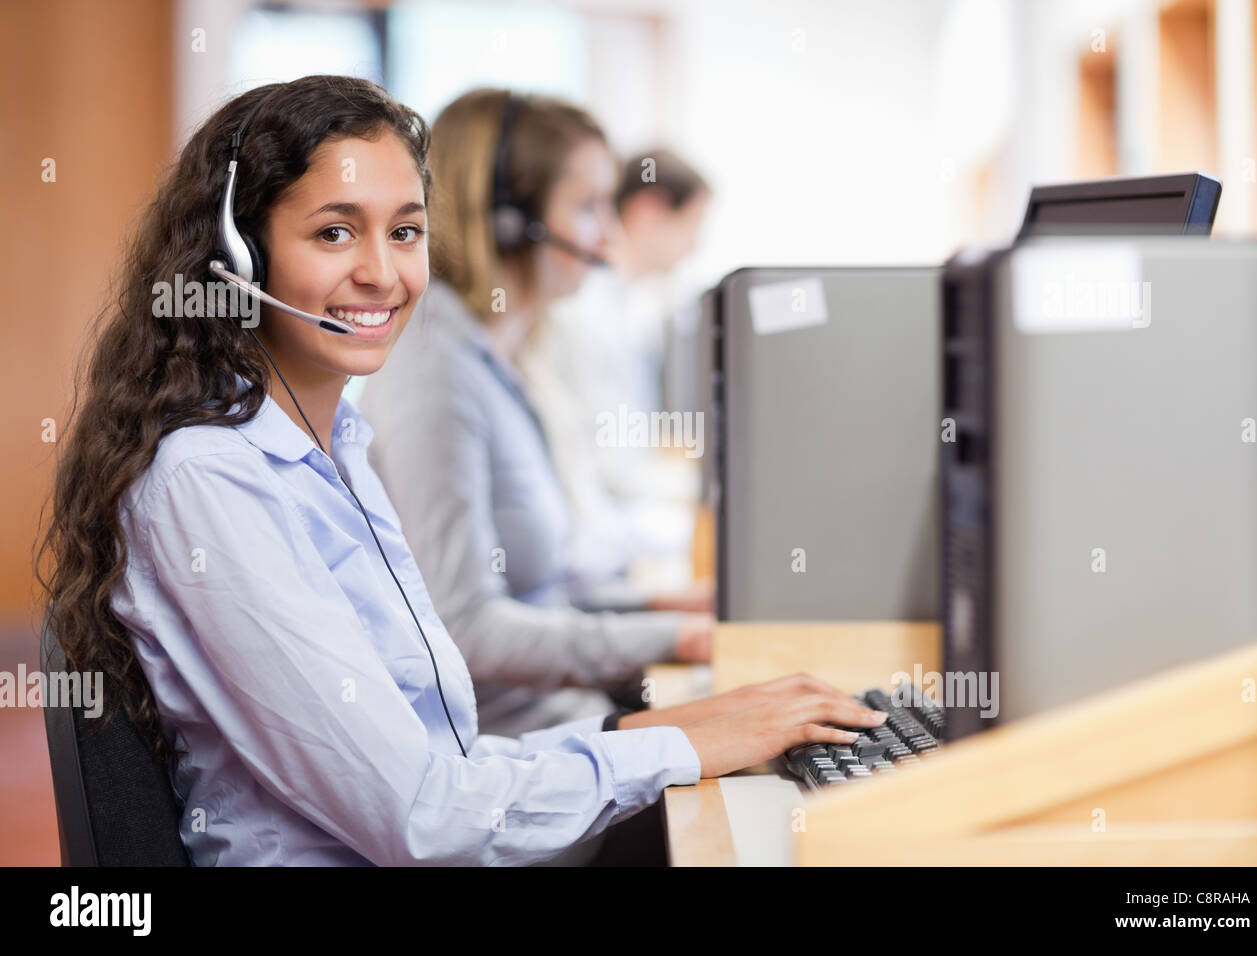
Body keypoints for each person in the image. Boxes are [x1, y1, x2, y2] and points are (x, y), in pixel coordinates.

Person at [35, 75, 886, 866]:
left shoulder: (330, 450)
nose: (382, 271)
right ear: (240, 259)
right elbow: (421, 814)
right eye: (335, 232)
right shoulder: (210, 484)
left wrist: (687, 725)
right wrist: (674, 741)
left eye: (405, 231)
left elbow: (444, 763)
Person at [361, 90, 711, 739]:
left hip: (562, 728)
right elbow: (468, 628)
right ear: (509, 221)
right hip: (514, 760)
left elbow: (537, 596)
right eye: (587, 207)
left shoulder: (497, 355)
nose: (609, 236)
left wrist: (662, 608)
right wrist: (678, 636)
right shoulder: (435, 368)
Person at [519, 148, 713, 582]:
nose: (695, 247)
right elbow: (611, 466)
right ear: (648, 212)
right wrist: (702, 486)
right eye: (693, 226)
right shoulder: (586, 309)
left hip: (607, 518)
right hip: (591, 530)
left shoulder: (624, 307)